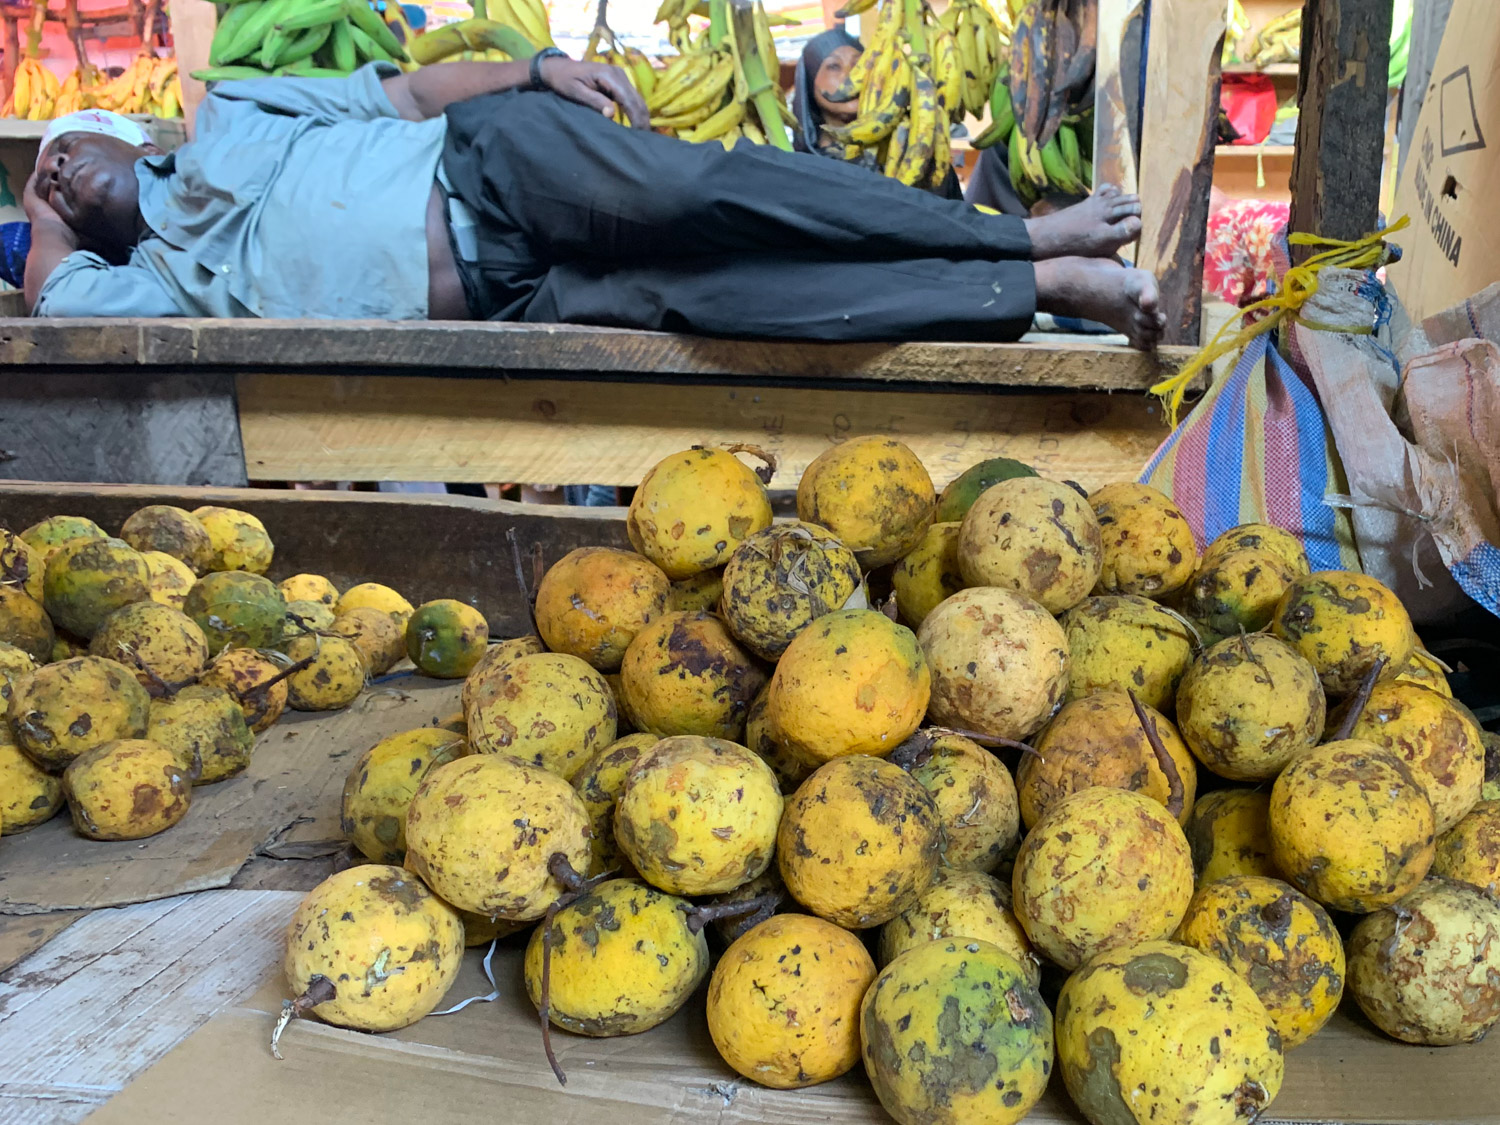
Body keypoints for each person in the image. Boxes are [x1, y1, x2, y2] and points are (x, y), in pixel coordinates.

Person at [24, 55, 1165, 348]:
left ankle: (1009, 228)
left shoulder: (231, 116)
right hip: (510, 292)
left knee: (716, 189)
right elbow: (54, 301)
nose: (59, 172)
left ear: (131, 135)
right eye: (48, 182)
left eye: (67, 152)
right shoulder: (149, 281)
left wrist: (530, 73)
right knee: (745, 308)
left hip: (490, 163)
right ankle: (1039, 284)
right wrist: (51, 226)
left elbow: (409, 88)